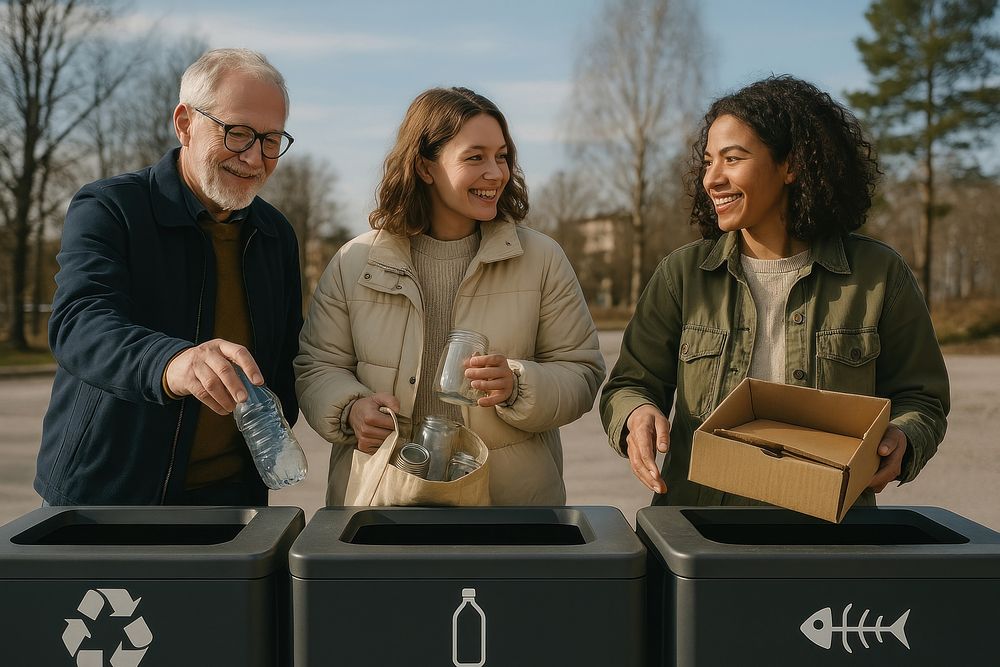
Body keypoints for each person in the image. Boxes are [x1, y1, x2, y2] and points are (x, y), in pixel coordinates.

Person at [601, 75, 950, 508]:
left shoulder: (879, 274)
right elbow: (630, 385)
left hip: (830, 536)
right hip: (698, 531)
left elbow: (922, 398)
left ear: (791, 165)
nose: (712, 179)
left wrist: (903, 437)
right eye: (708, 161)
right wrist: (637, 415)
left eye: (732, 159)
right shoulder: (682, 274)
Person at [295, 87, 605, 505]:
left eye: (502, 156)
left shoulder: (543, 259)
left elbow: (581, 371)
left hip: (509, 506)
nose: (496, 173)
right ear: (425, 167)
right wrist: (350, 407)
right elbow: (316, 367)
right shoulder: (355, 261)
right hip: (382, 502)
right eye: (475, 157)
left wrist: (518, 384)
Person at [35, 48, 302, 506]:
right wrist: (171, 363)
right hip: (108, 496)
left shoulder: (275, 234)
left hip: (234, 502)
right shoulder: (111, 208)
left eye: (271, 140)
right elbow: (79, 323)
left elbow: (288, 358)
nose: (254, 157)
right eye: (237, 134)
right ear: (184, 123)